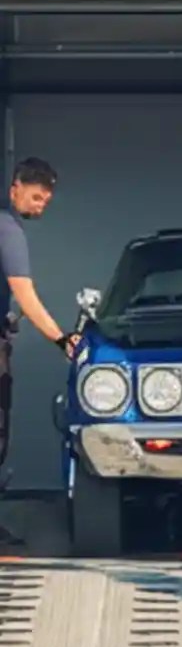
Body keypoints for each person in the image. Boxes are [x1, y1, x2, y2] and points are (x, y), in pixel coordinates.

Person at [0, 157, 79, 478]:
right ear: (14, 189)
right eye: (36, 197)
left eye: (46, 201)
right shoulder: (7, 229)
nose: (41, 205)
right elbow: (25, 293)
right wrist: (60, 339)